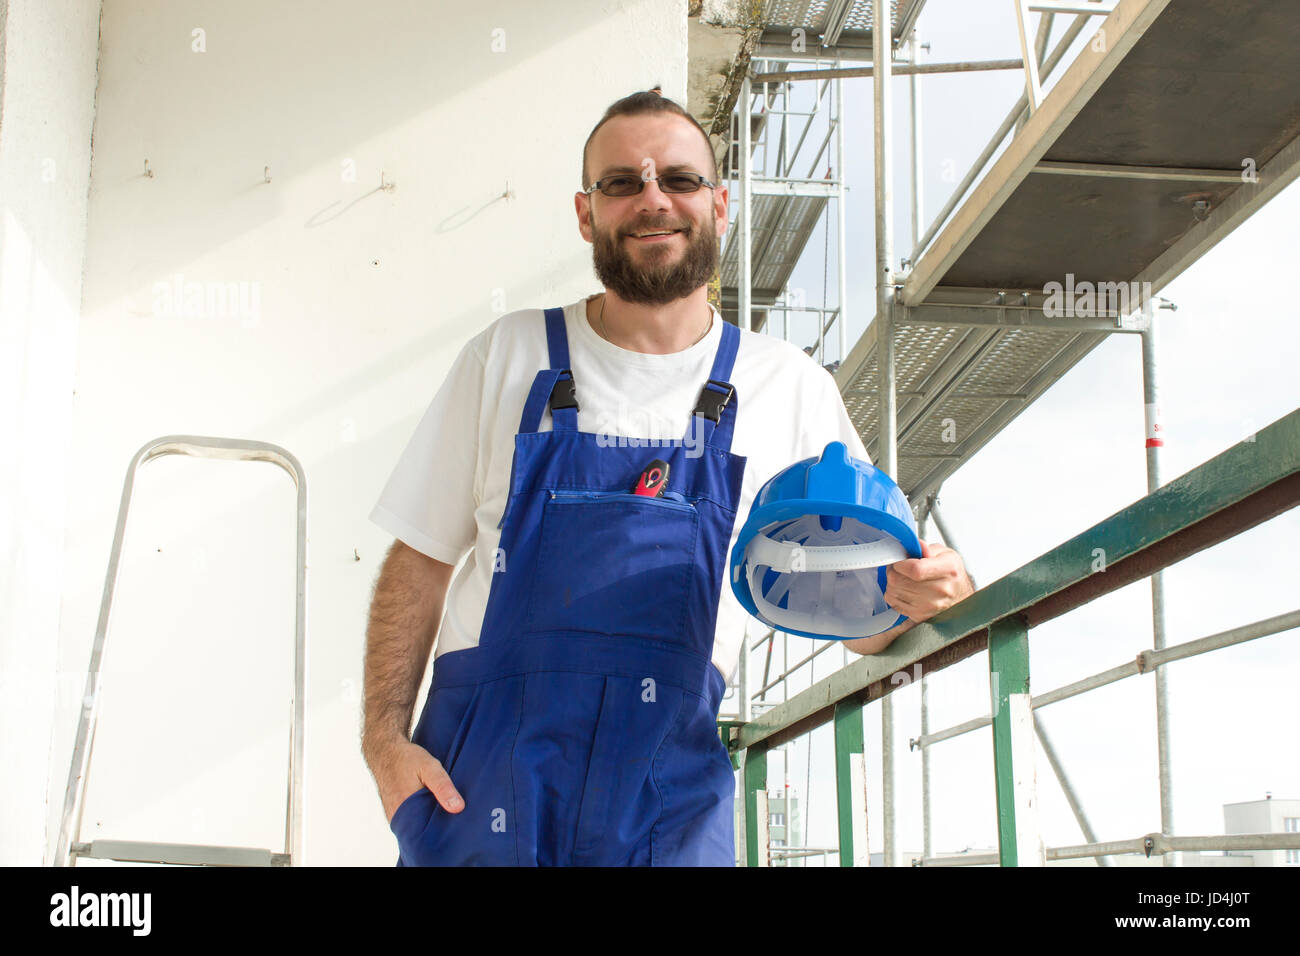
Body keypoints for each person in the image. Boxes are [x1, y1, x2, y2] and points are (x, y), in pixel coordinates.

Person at [362, 90, 974, 866]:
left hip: (666, 795)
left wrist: (925, 595)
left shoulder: (788, 387)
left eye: (679, 181)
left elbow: (859, 610)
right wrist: (383, 742)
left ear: (718, 205)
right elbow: (420, 559)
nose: (654, 201)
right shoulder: (506, 355)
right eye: (622, 183)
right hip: (479, 779)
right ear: (587, 215)